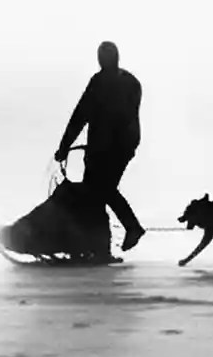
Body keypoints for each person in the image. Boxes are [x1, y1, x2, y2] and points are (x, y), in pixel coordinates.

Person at [55, 41, 147, 251]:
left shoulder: (105, 83)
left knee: (100, 191)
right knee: (98, 194)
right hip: (114, 147)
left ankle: (126, 231)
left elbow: (82, 115)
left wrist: (65, 146)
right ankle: (100, 247)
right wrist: (65, 144)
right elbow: (82, 115)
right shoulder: (131, 82)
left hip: (111, 148)